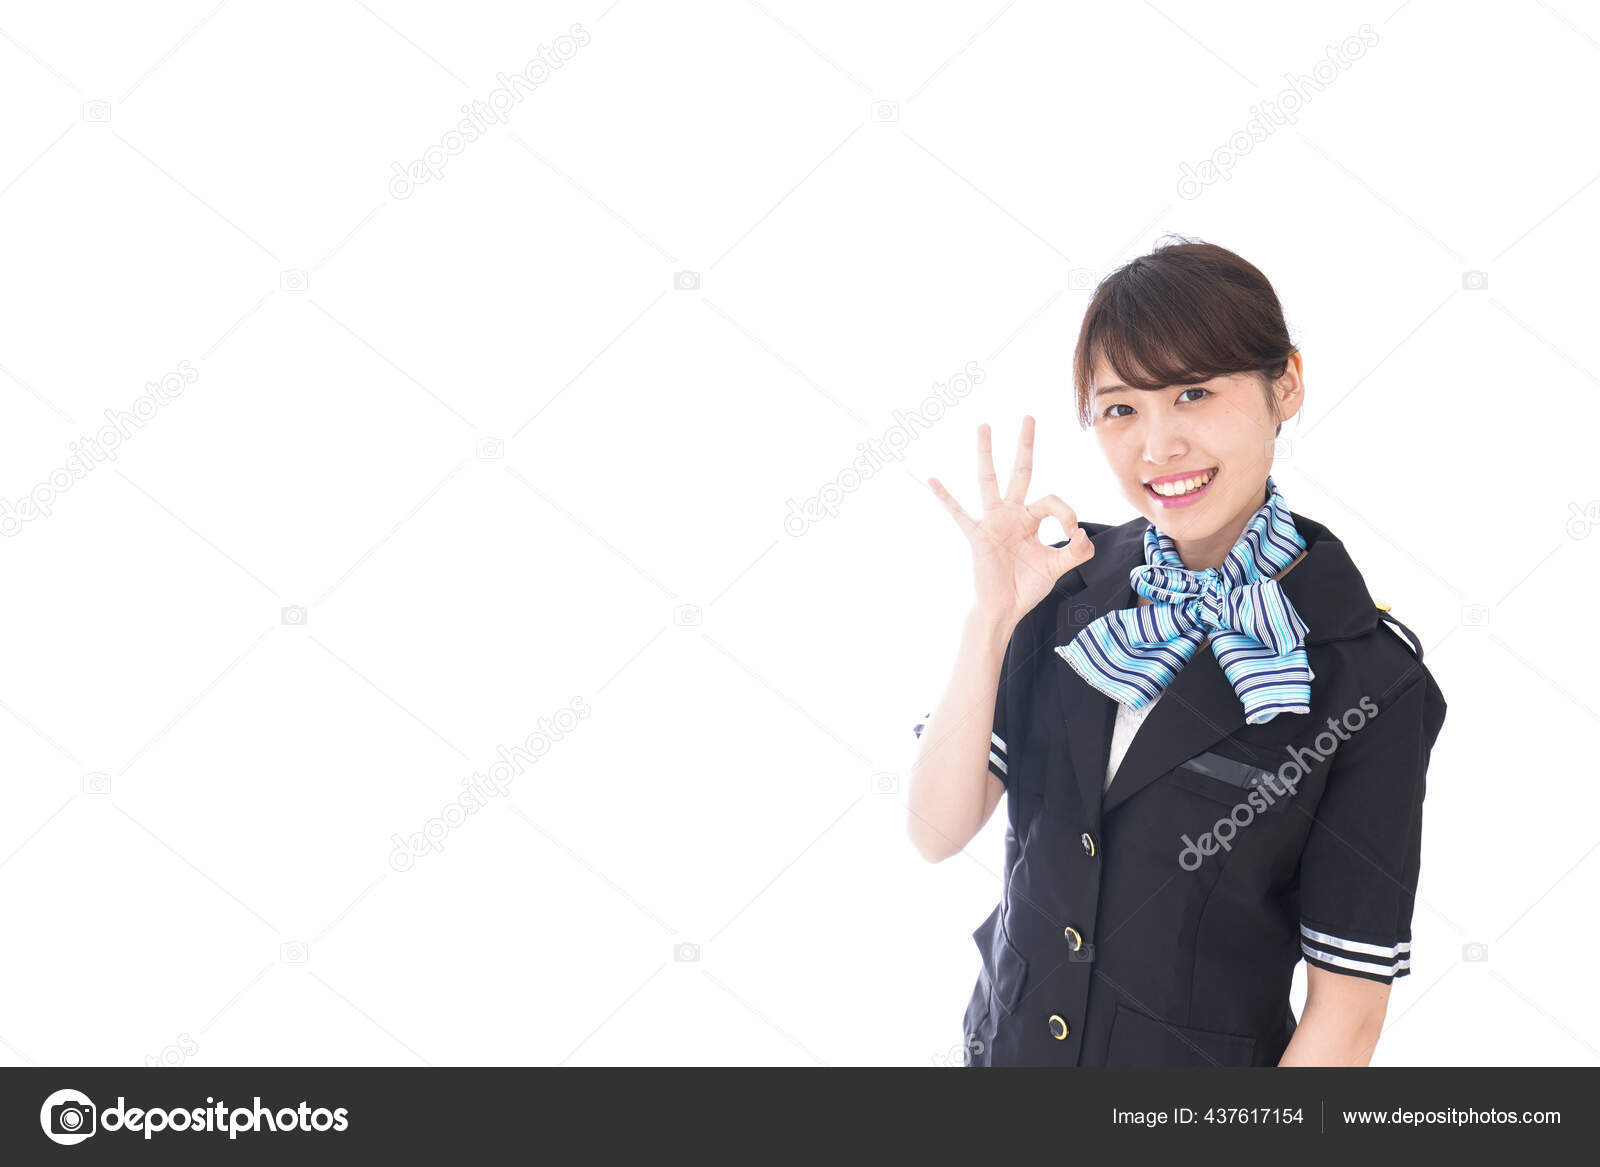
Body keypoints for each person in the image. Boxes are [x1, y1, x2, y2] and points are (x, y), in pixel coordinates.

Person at [908, 239, 1447, 1066]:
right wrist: (990, 621)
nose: (1157, 448)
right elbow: (935, 831)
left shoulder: (1369, 678)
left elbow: (1346, 1018)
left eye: (1193, 392)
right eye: (1121, 409)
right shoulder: (1060, 586)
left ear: (1286, 385)